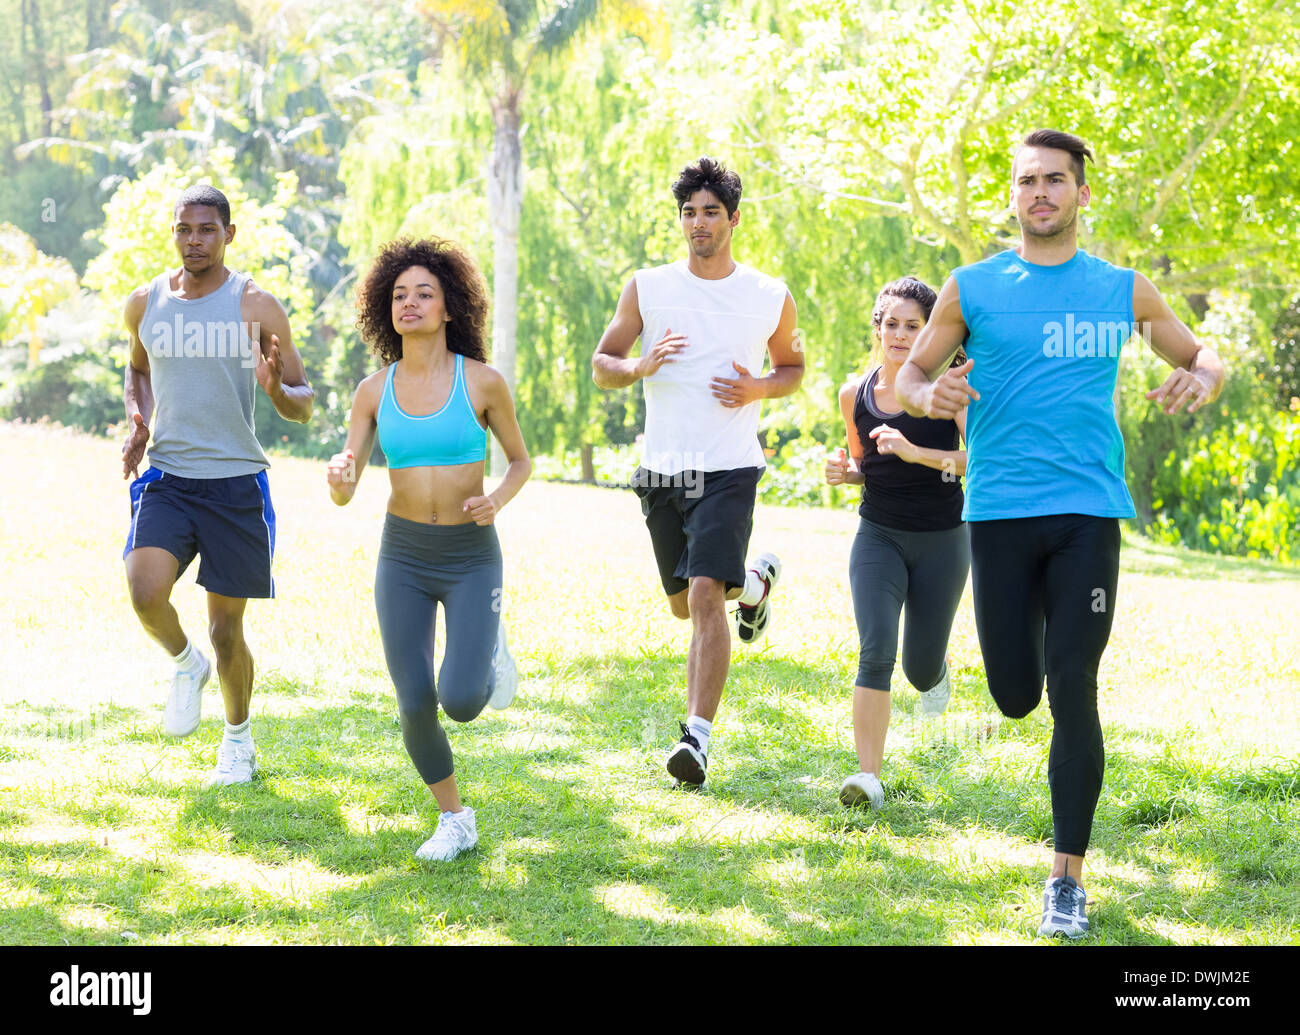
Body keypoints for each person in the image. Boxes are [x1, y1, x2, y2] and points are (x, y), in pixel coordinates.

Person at [895, 129, 1226, 938]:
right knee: (1017, 696)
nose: (1038, 192)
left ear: (1082, 194)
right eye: (1025, 182)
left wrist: (1203, 376)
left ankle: (1065, 879)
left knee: (1073, 680)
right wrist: (925, 394)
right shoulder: (971, 288)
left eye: (1053, 180)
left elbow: (1202, 354)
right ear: (1013, 196)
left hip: (1087, 513)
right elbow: (904, 374)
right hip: (1000, 513)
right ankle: (1028, 637)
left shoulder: (1123, 289)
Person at [592, 156, 804, 789]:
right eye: (689, 212)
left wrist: (758, 389)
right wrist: (640, 366)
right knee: (687, 605)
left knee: (708, 594)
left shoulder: (768, 295)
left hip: (729, 466)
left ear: (733, 219)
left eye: (711, 211)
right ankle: (757, 586)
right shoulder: (648, 286)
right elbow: (604, 363)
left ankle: (697, 740)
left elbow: (792, 368)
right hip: (665, 469)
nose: (698, 223)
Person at [327, 237, 531, 863]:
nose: (409, 303)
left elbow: (521, 463)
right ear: (383, 310)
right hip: (404, 558)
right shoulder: (372, 391)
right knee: (415, 701)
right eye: (398, 295)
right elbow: (348, 483)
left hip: (472, 556)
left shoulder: (484, 382)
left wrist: (496, 497)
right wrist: (340, 476)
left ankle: (486, 642)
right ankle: (454, 818)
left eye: (424, 294)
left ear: (450, 307)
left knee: (462, 701)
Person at [121, 183, 314, 787]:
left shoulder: (255, 305)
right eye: (184, 229)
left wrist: (277, 390)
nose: (194, 240)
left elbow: (304, 403)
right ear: (173, 233)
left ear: (230, 234)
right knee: (145, 588)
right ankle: (184, 664)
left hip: (236, 484)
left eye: (207, 229)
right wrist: (138, 415)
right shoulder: (145, 301)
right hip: (168, 477)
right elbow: (137, 366)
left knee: (227, 630)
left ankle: (237, 741)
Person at [825, 276, 970, 811]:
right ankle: (868, 777)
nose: (901, 335)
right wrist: (848, 473)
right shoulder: (854, 394)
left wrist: (918, 453)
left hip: (945, 540)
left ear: (931, 332)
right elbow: (866, 463)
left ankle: (934, 674)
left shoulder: (953, 389)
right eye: (891, 324)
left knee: (919, 666)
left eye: (914, 326)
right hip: (878, 536)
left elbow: (976, 463)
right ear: (878, 328)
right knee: (876, 649)